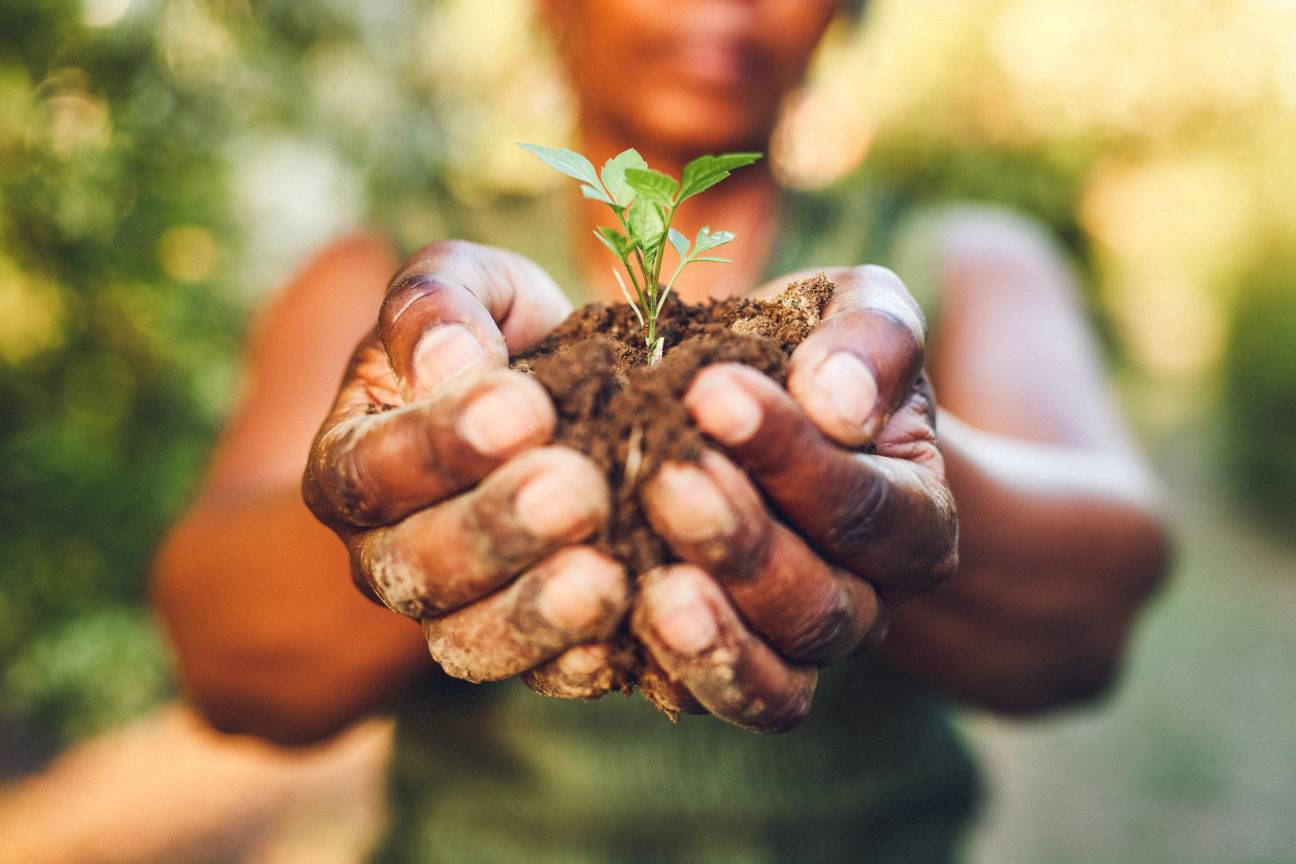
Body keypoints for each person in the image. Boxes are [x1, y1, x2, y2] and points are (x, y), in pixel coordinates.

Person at [152, 0, 1171, 860]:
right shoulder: (386, 274)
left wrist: (865, 469)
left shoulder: (957, 261)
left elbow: (1092, 615)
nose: (721, 3)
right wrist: (433, 477)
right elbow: (227, 663)